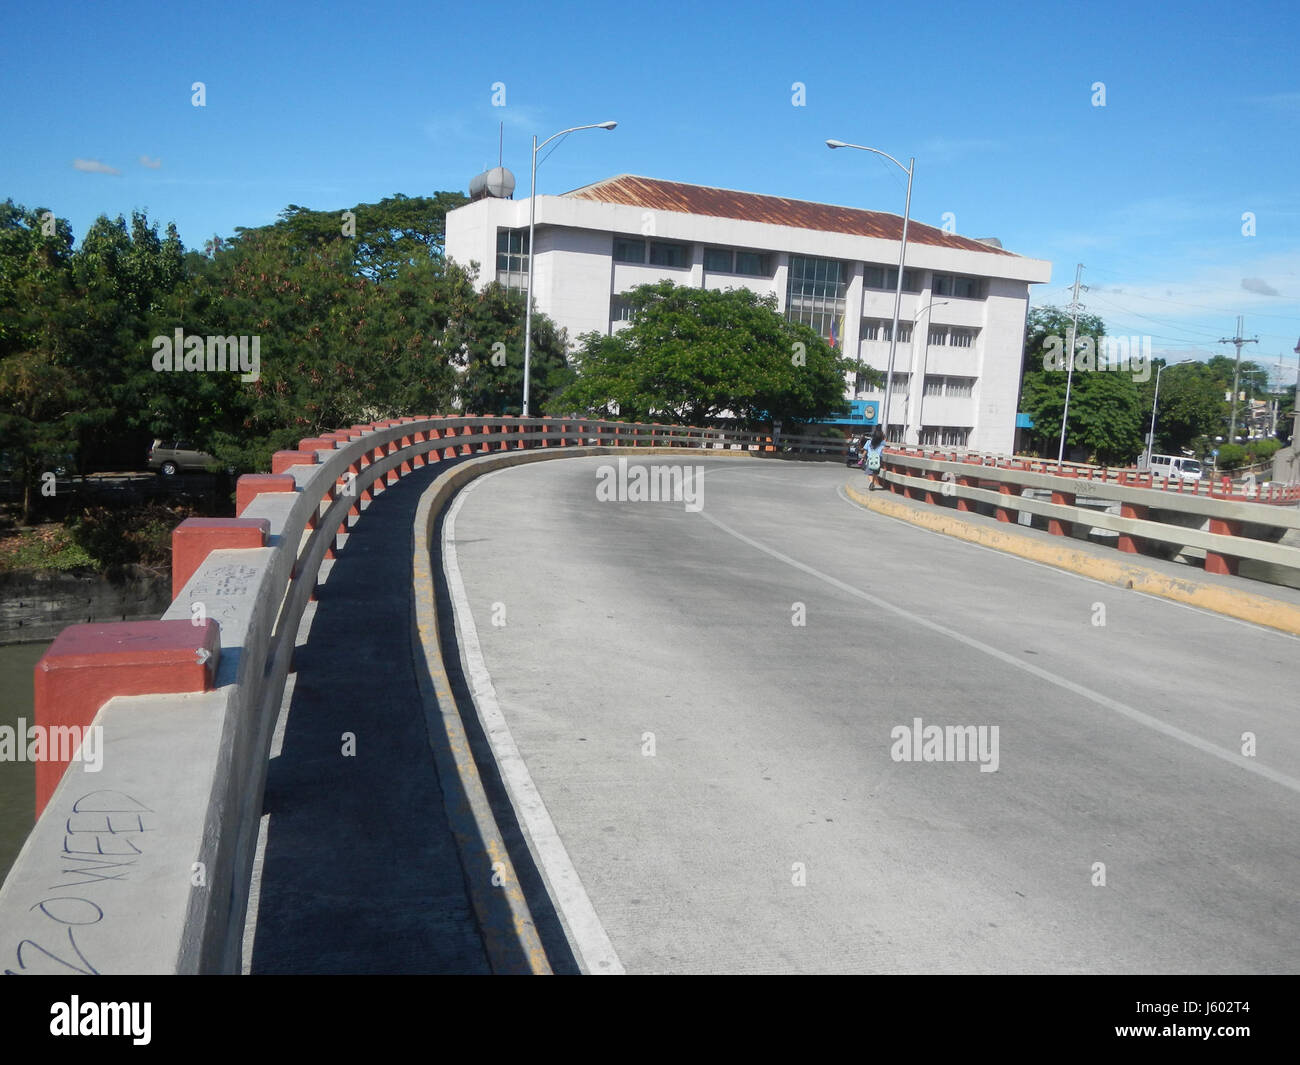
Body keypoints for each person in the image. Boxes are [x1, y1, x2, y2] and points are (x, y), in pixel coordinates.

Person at [863, 426, 887, 491]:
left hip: (870, 459)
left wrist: (862, 457)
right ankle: (873, 482)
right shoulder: (882, 443)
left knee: (869, 472)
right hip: (878, 459)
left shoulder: (868, 442)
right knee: (875, 472)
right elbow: (885, 446)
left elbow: (865, 451)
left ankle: (871, 482)